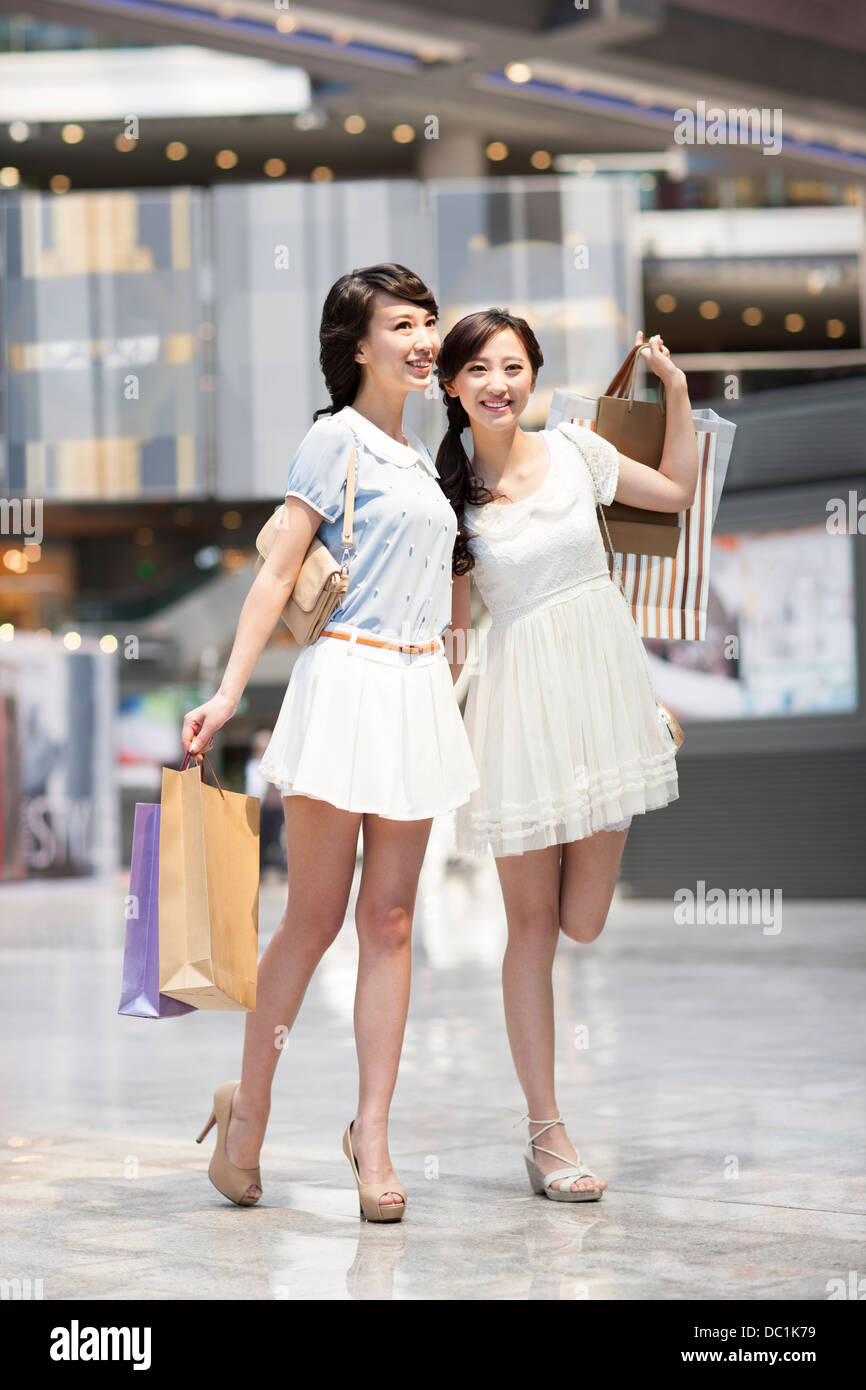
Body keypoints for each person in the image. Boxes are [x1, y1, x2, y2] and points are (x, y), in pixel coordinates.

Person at [183, 264, 478, 1219]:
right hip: (344, 679)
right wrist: (229, 692)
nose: (425, 337)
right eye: (403, 324)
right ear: (359, 347)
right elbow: (275, 577)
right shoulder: (334, 439)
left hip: (416, 687)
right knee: (313, 920)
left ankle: (374, 1138)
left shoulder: (432, 459)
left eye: (430, 321)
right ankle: (248, 1116)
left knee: (391, 924)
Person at [436, 313, 698, 1202]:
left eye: (512, 366)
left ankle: (648, 730)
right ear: (453, 386)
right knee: (533, 933)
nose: (498, 382)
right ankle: (547, 1132)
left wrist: (678, 394)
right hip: (517, 718)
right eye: (479, 369)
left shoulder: (579, 451)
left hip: (602, 702)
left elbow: (674, 494)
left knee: (583, 921)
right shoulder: (454, 500)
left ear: (533, 375)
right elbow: (455, 641)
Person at [244, 731, 285, 877]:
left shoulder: (272, 765)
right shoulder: (254, 766)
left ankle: (279, 870)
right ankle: (260, 871)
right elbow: (254, 790)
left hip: (275, 809)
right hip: (263, 809)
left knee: (275, 841)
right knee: (263, 842)